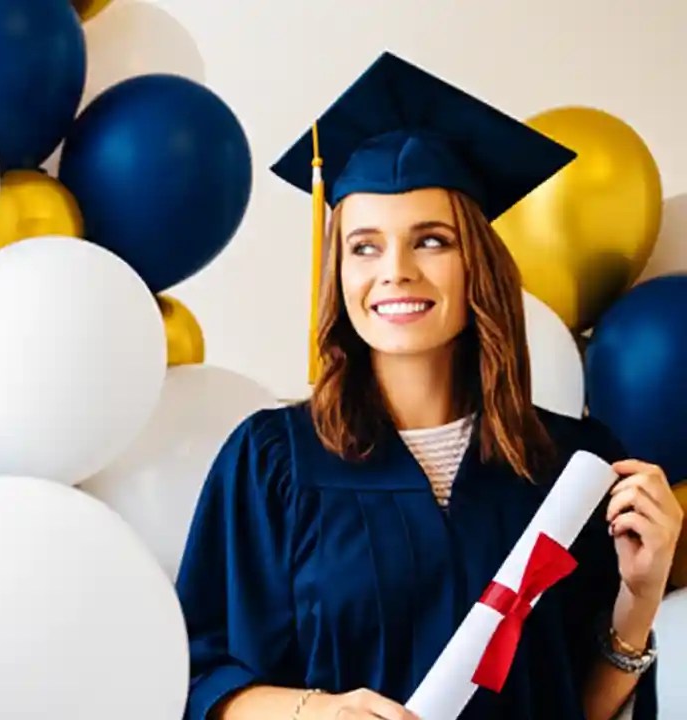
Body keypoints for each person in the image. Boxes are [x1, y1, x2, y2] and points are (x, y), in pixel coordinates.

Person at [175, 51, 680, 720]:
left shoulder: (573, 470)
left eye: (432, 240)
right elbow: (196, 675)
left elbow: (581, 710)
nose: (396, 271)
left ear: (478, 264)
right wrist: (313, 712)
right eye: (364, 246)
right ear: (337, 271)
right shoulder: (272, 462)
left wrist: (640, 597)